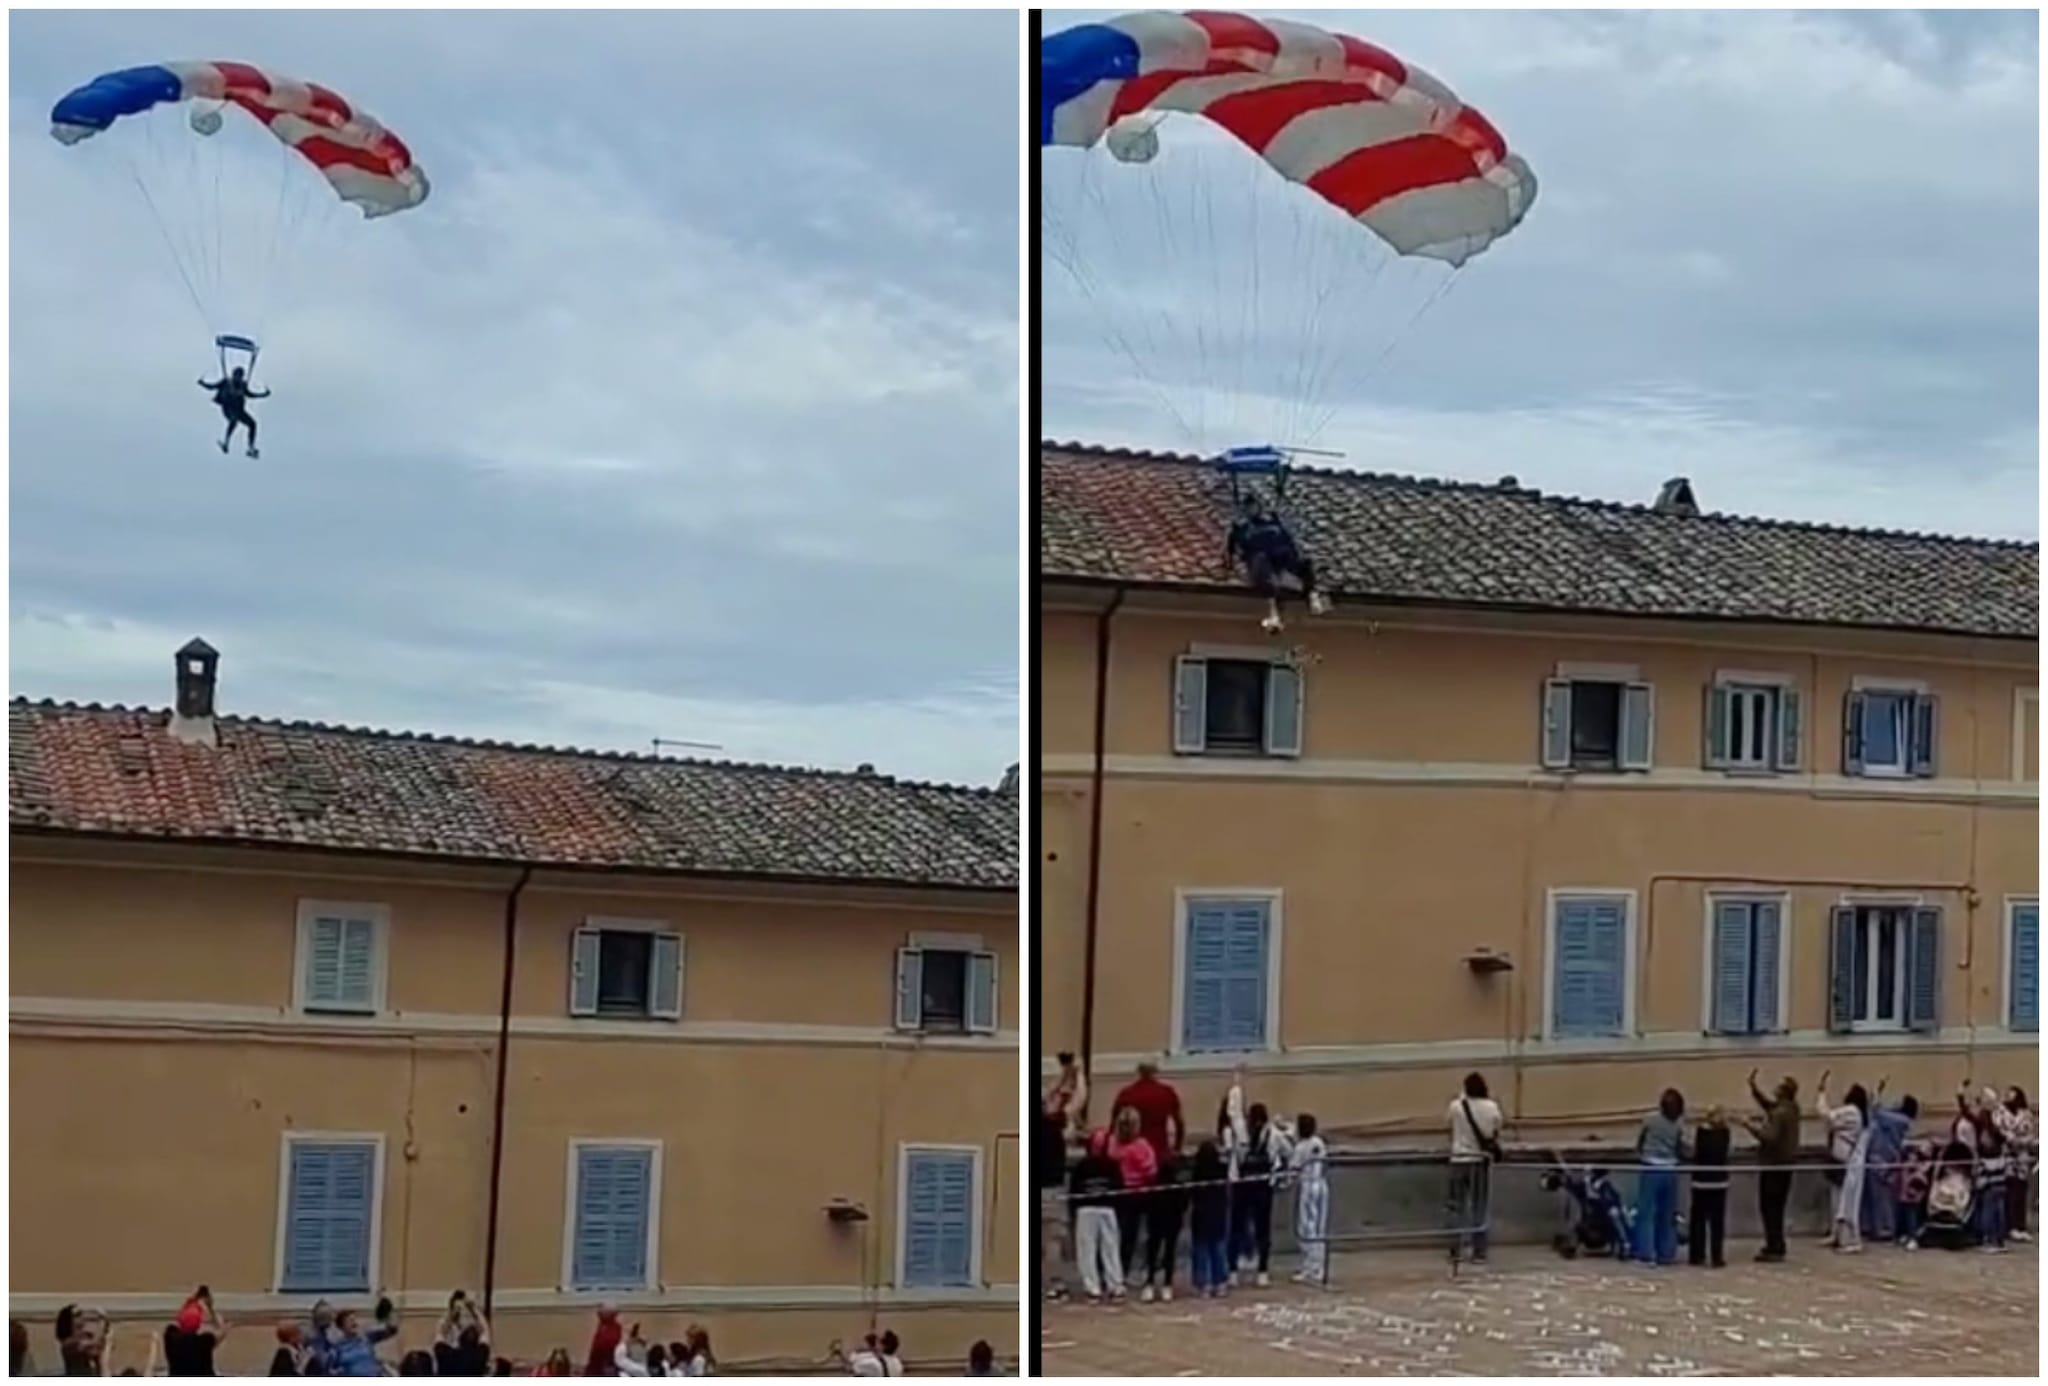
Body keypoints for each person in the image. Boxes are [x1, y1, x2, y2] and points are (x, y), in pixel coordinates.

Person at [1226, 491, 1331, 633]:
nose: (1252, 510)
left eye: (1254, 506)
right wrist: (1231, 560)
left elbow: (1290, 542)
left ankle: (1312, 596)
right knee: (1266, 572)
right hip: (1260, 560)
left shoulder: (1273, 523)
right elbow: (1232, 549)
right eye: (1249, 508)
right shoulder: (1242, 529)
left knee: (1304, 563)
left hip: (1280, 555)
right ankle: (1275, 612)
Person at [1226, 1101, 1289, 1286]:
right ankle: (1260, 1271)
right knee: (1260, 1229)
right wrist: (1279, 1174)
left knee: (1240, 1227)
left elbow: (1234, 1157)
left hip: (1246, 1185)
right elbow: (1288, 1152)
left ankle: (1235, 1271)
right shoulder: (1273, 1134)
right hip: (1259, 1185)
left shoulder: (1242, 1134)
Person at [1447, 1071, 1503, 1264]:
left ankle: (1455, 1249)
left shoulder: (1456, 1106)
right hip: (1479, 1162)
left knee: (1456, 1207)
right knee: (1479, 1206)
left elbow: (1449, 1123)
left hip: (1458, 1160)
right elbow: (1496, 1129)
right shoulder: (1491, 1107)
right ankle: (1479, 1251)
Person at [1745, 1069, 1800, 1262]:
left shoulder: (1780, 1113)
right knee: (1778, 1207)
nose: (1775, 1089)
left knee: (1770, 1207)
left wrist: (1749, 1126)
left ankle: (1774, 1246)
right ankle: (1777, 1243)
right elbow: (1769, 1106)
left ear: (1783, 1092)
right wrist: (1755, 1089)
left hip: (1774, 1164)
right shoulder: (1792, 1108)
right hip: (1786, 1165)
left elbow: (1769, 1137)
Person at [1069, 1127, 1126, 1303]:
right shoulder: (1092, 1165)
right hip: (1094, 1209)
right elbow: (1074, 1191)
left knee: (1103, 1248)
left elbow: (1119, 1189)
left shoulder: (1103, 1165)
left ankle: (1107, 1286)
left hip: (1099, 1209)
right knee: (1097, 1249)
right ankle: (1100, 1287)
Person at [1816, 1071, 1871, 1252]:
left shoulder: (1851, 1112)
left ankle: (1850, 1240)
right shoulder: (1859, 1114)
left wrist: (1821, 1093)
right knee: (1836, 1200)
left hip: (1845, 1163)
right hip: (1840, 1160)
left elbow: (1827, 1116)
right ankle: (1837, 1234)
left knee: (1845, 1203)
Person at [1106, 1105, 1158, 1290]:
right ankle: (1126, 1271)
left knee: (1115, 1236)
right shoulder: (1141, 1146)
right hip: (1136, 1195)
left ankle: (1113, 1272)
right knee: (1131, 1236)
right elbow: (1151, 1170)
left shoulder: (1112, 1144)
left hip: (1117, 1194)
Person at [1039, 1056, 1078, 1303]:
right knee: (1053, 1240)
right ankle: (1055, 1284)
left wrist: (1064, 1075)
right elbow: (1078, 1102)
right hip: (1051, 1190)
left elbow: (1048, 1094)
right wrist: (1077, 1075)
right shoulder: (1054, 1127)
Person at [1633, 1088, 1686, 1265]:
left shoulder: (1649, 1119)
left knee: (1646, 1212)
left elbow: (1640, 1142)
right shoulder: (1678, 1125)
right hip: (1670, 1169)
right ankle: (1666, 1253)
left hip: (1650, 1167)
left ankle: (1646, 1252)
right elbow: (1679, 1148)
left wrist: (1642, 1153)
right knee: (1667, 1213)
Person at [1863, 1091, 1918, 1243]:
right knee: (1885, 1198)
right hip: (1889, 1162)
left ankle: (1884, 1229)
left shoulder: (1898, 1120)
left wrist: (1876, 1096)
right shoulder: (1903, 1122)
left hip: (1881, 1162)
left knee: (1881, 1199)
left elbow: (1877, 1112)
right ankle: (1883, 1228)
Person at [1142, 1146, 1191, 1302]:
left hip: (1156, 1222)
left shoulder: (1154, 1184)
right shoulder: (1177, 1186)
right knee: (1169, 1253)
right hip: (1170, 1222)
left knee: (1153, 1253)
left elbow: (1147, 1204)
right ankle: (1166, 1286)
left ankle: (1150, 1284)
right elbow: (1184, 1205)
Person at [1112, 1059, 1183, 1165]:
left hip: (1132, 1151)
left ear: (1139, 1072)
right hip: (1159, 1148)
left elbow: (1114, 1123)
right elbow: (1179, 1123)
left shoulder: (1127, 1093)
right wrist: (1177, 1147)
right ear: (1155, 1071)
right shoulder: (1167, 1092)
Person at [1687, 1106, 1732, 1268]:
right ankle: (1716, 1256)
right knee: (1717, 1221)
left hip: (1701, 1181)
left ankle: (1696, 1255)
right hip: (1719, 1182)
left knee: (1698, 1219)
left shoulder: (1701, 1133)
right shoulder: (1725, 1134)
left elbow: (1697, 1153)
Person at [1187, 1140, 1232, 1298]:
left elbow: (1192, 1194)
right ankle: (1220, 1282)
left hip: (1201, 1215)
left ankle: (1204, 1284)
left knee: (1202, 1249)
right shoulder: (1222, 1170)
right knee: (1218, 1248)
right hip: (1218, 1214)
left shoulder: (1197, 1172)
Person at [1290, 1113, 1331, 1285]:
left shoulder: (1300, 1147)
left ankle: (1310, 1268)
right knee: (1319, 1227)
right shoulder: (1319, 1142)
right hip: (1321, 1184)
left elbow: (1294, 1168)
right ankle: (1319, 1267)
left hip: (1308, 1186)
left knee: (1307, 1228)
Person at [197, 366, 270, 458]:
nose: (238, 378)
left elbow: (250, 395)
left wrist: (263, 395)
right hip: (228, 409)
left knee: (252, 424)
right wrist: (202, 383)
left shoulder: (242, 385)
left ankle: (250, 447)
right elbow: (212, 387)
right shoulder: (226, 382)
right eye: (237, 375)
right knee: (234, 421)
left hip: (239, 411)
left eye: (240, 376)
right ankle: (226, 442)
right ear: (233, 375)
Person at [1970, 1086, 2010, 1252]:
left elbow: (1995, 1135)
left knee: (1990, 1204)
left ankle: (1991, 1239)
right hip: (1998, 1166)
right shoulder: (1998, 1117)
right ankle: (1998, 1240)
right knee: (1997, 1204)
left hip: (1991, 1167)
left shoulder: (1989, 1120)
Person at [1997, 1086, 2035, 1243]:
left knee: (2021, 1191)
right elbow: (1999, 1130)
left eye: (2011, 1094)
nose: (2008, 1097)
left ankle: (2020, 1225)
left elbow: (2031, 1134)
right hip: (2007, 1158)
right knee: (2008, 1192)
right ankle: (2008, 1225)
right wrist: (2009, 1138)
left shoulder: (2027, 1115)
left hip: (2022, 1157)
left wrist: (2021, 1141)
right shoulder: (2001, 1113)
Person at [327, 1301, 399, 1377]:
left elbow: (392, 1330)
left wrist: (389, 1313)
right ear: (342, 1326)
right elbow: (330, 1370)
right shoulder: (338, 1347)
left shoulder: (367, 1337)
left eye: (355, 1319)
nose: (354, 1322)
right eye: (350, 1320)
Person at [586, 1307, 625, 1376]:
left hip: (606, 1361)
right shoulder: (601, 1327)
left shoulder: (615, 1327)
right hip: (596, 1362)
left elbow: (610, 1344)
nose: (599, 1315)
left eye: (602, 1312)